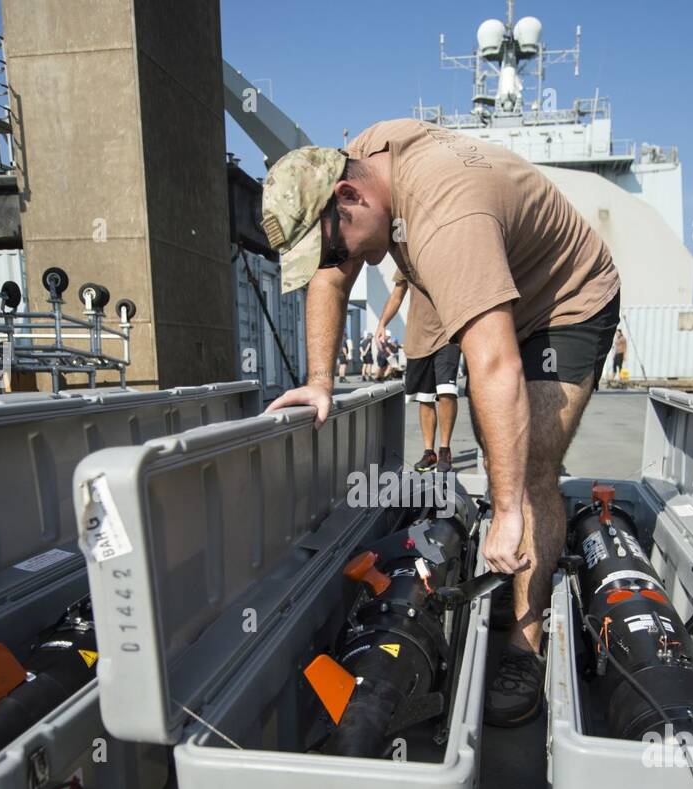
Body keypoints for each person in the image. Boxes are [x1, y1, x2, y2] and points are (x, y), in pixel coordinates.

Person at [259, 124, 620, 726]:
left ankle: (525, 645)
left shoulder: (444, 219)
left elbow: (497, 366)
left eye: (333, 247)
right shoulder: (364, 161)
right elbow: (331, 273)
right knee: (499, 437)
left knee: (530, 472)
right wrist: (320, 380)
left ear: (351, 195)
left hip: (566, 301)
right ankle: (519, 561)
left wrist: (505, 512)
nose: (335, 264)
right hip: (506, 290)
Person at [381, 269, 460, 473]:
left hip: (448, 334)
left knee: (446, 392)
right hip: (418, 337)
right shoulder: (407, 256)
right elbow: (397, 294)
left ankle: (444, 449)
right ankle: (429, 452)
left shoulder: (451, 250)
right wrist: (382, 324)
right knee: (424, 397)